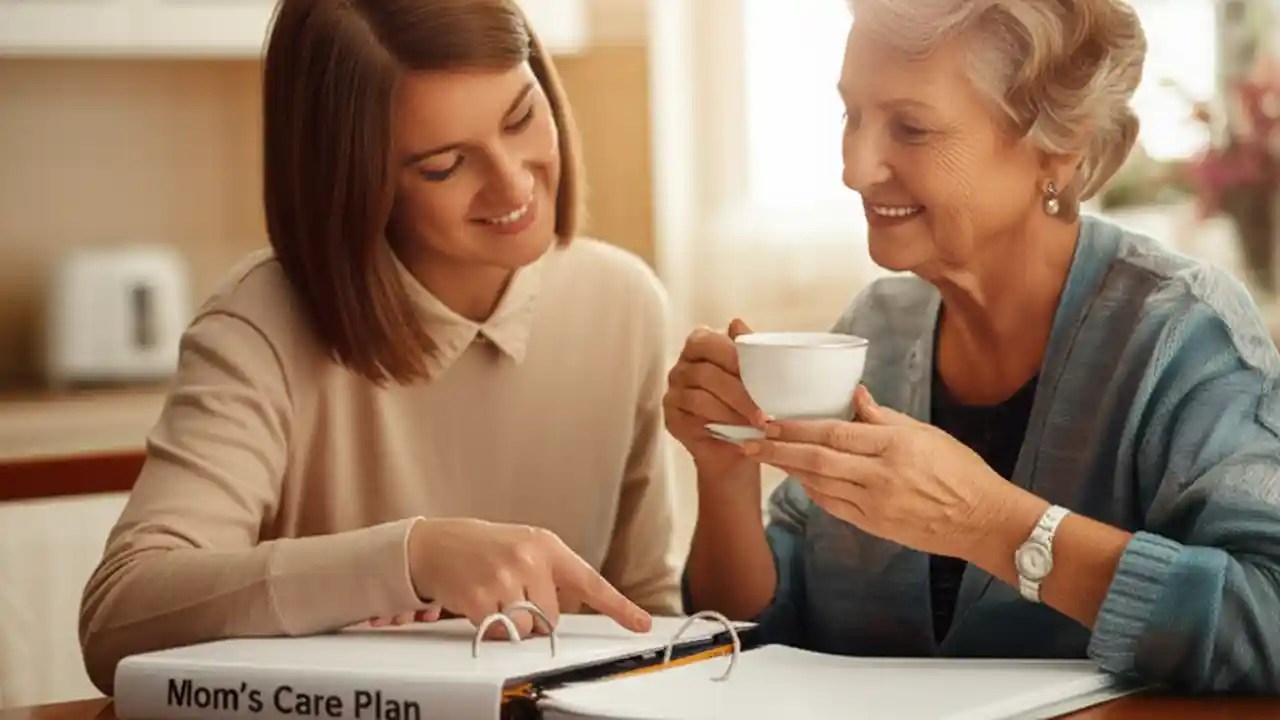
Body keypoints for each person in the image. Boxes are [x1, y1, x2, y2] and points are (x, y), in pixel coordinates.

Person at [668, 0, 1280, 693]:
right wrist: (724, 472)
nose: (856, 168)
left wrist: (992, 525)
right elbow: (758, 633)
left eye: (912, 127)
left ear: (1060, 147)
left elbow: (1268, 620)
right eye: (852, 115)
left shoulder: (1180, 334)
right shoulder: (877, 325)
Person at [79, 0, 679, 694]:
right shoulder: (259, 326)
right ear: (358, 185)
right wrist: (411, 556)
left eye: (520, 117)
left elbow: (646, 611)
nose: (514, 182)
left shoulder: (623, 302)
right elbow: (119, 614)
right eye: (445, 165)